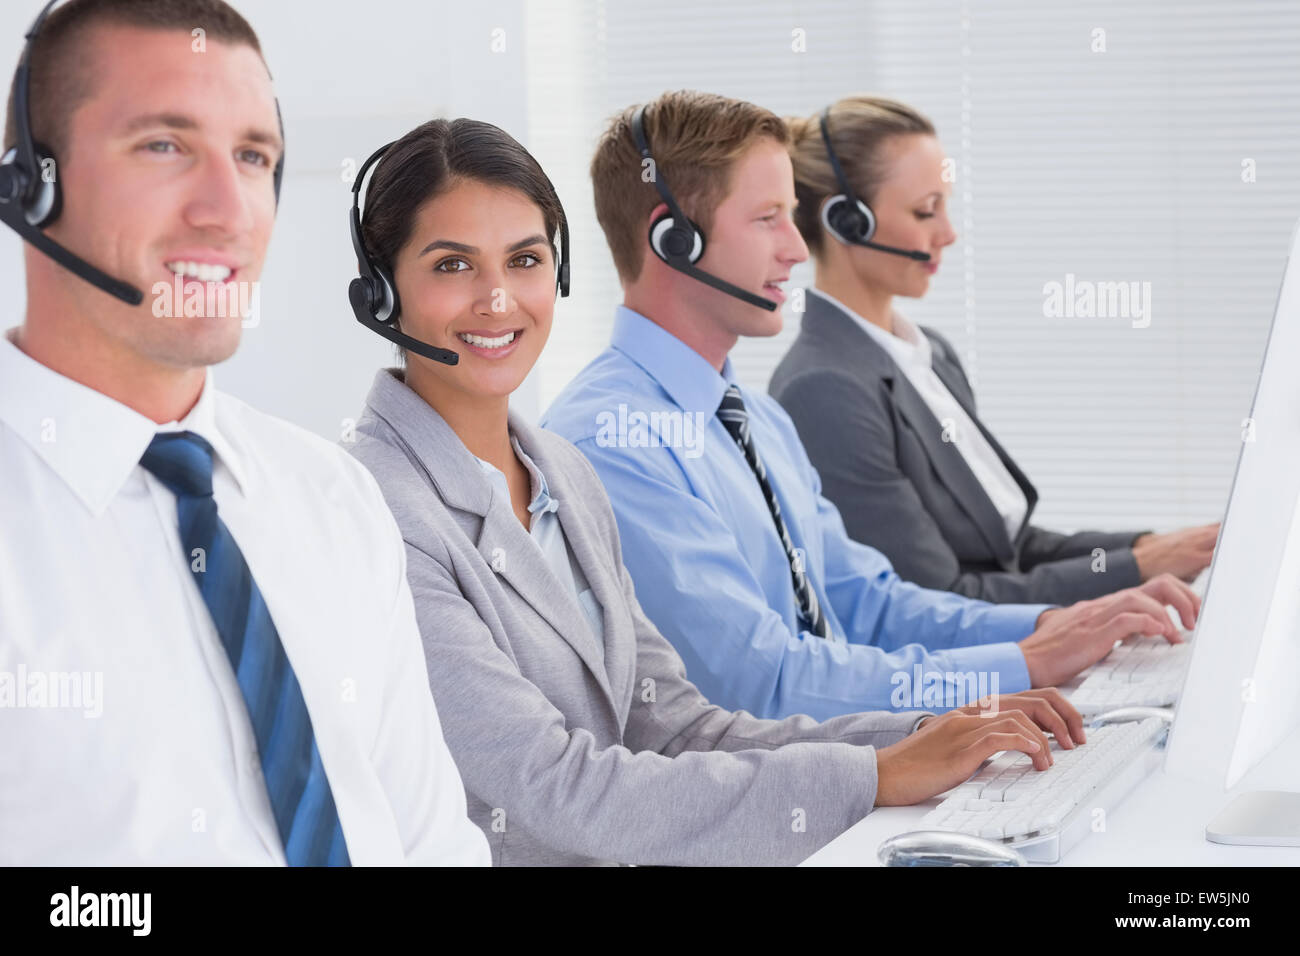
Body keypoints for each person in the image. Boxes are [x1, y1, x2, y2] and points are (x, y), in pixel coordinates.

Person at [340, 116, 1088, 867]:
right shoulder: (374, 508)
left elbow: (674, 726)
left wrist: (923, 731)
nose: (499, 300)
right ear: (380, 289)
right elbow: (552, 788)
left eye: (526, 259)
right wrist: (875, 774)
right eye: (452, 266)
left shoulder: (563, 473)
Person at [0, 0, 487, 866]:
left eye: (254, 156)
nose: (229, 209)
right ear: (30, 184)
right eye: (164, 145)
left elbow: (432, 843)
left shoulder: (332, 497)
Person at [542, 90, 1199, 721]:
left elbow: (871, 607)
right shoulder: (610, 443)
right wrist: (1014, 668)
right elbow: (758, 681)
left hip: (842, 759)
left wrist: (1054, 625)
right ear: (673, 240)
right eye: (768, 218)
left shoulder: (758, 422)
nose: (798, 249)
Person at [771, 95, 1219, 605]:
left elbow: (1008, 547)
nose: (948, 233)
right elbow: (938, 597)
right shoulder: (826, 390)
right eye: (925, 211)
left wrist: (1152, 548)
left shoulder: (928, 353)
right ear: (848, 222)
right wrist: (1139, 568)